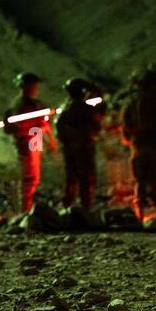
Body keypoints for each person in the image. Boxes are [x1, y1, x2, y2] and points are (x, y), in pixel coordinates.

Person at [121, 68, 156, 226]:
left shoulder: (131, 104)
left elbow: (125, 127)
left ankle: (140, 215)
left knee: (140, 182)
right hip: (154, 144)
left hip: (138, 145)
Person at [2, 72, 55, 213]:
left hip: (33, 142)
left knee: (34, 178)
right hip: (27, 143)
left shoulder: (34, 104)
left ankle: (29, 209)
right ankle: (25, 210)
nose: (36, 88)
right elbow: (28, 125)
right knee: (29, 178)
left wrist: (49, 141)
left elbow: (42, 124)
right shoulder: (21, 105)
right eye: (33, 85)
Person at [55, 78, 102, 211]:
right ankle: (85, 208)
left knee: (71, 178)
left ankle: (67, 206)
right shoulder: (84, 109)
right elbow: (96, 125)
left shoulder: (65, 107)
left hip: (70, 149)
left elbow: (59, 129)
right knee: (86, 179)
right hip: (83, 149)